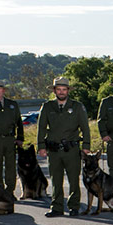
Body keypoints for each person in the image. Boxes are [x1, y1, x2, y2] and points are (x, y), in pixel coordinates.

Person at [37, 77, 91, 217]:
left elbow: (85, 128)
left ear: (68, 91)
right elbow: (41, 127)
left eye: (64, 89)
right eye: (59, 89)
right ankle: (56, 207)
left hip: (71, 149)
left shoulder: (77, 106)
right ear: (54, 91)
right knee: (56, 180)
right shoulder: (47, 107)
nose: (61, 92)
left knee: (73, 179)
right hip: (54, 150)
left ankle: (74, 206)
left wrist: (86, 146)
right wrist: (41, 146)